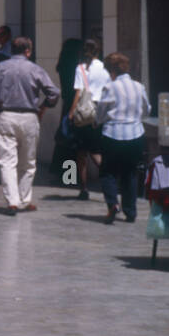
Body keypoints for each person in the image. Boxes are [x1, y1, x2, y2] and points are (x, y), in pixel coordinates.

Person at [0, 35, 60, 215]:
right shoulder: (35, 69)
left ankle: (12, 201)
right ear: (28, 51)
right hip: (29, 117)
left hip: (5, 116)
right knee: (28, 162)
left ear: (12, 50)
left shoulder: (0, 68)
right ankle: (24, 200)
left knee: (7, 161)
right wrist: (43, 107)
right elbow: (54, 93)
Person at [95, 52, 150, 224]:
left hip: (113, 134)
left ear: (112, 71)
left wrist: (97, 122)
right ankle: (130, 211)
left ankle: (112, 204)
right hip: (135, 134)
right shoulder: (139, 86)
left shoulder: (110, 88)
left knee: (107, 172)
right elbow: (146, 110)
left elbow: (101, 113)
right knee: (130, 174)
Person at [68, 37, 111, 200]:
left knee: (81, 153)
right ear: (98, 51)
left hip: (85, 112)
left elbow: (78, 93)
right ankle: (108, 180)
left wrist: (71, 113)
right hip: (99, 112)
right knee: (96, 149)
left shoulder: (81, 68)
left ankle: (83, 188)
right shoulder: (105, 68)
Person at [51, 37, 85, 178]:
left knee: (65, 141)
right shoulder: (76, 68)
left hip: (67, 104)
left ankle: (65, 175)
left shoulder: (63, 65)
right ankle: (69, 176)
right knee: (72, 143)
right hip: (75, 105)